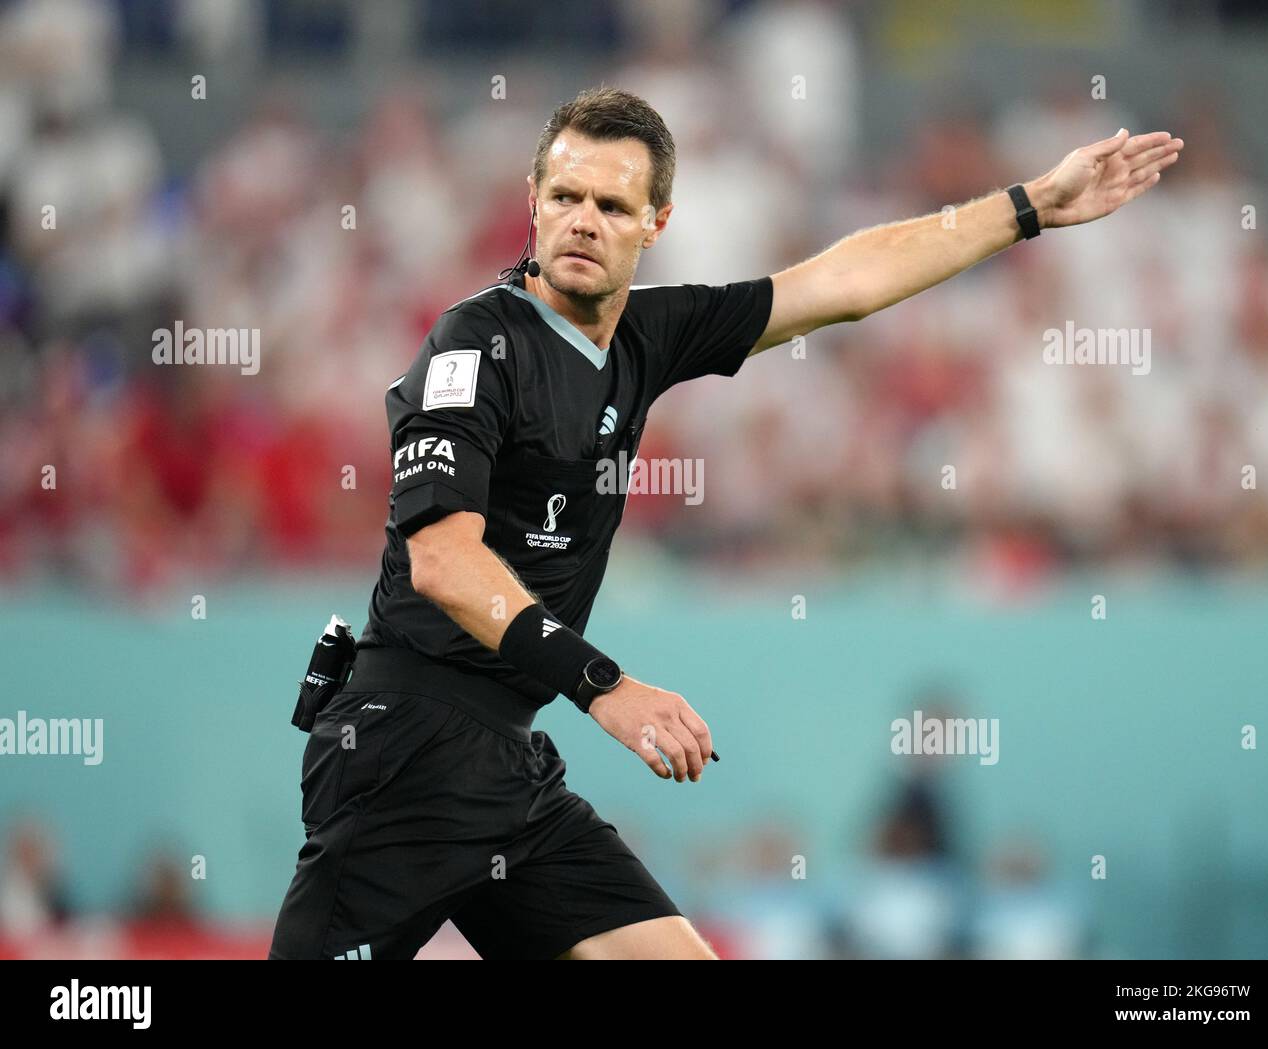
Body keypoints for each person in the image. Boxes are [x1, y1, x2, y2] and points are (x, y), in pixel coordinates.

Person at [268, 86, 1181, 960]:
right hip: (398, 750)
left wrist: (1028, 207)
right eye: (565, 195)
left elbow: (842, 282)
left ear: (656, 223)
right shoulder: (475, 344)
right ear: (533, 205)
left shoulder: (646, 339)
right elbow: (441, 561)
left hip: (507, 765)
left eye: (614, 206)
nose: (584, 219)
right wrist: (605, 687)